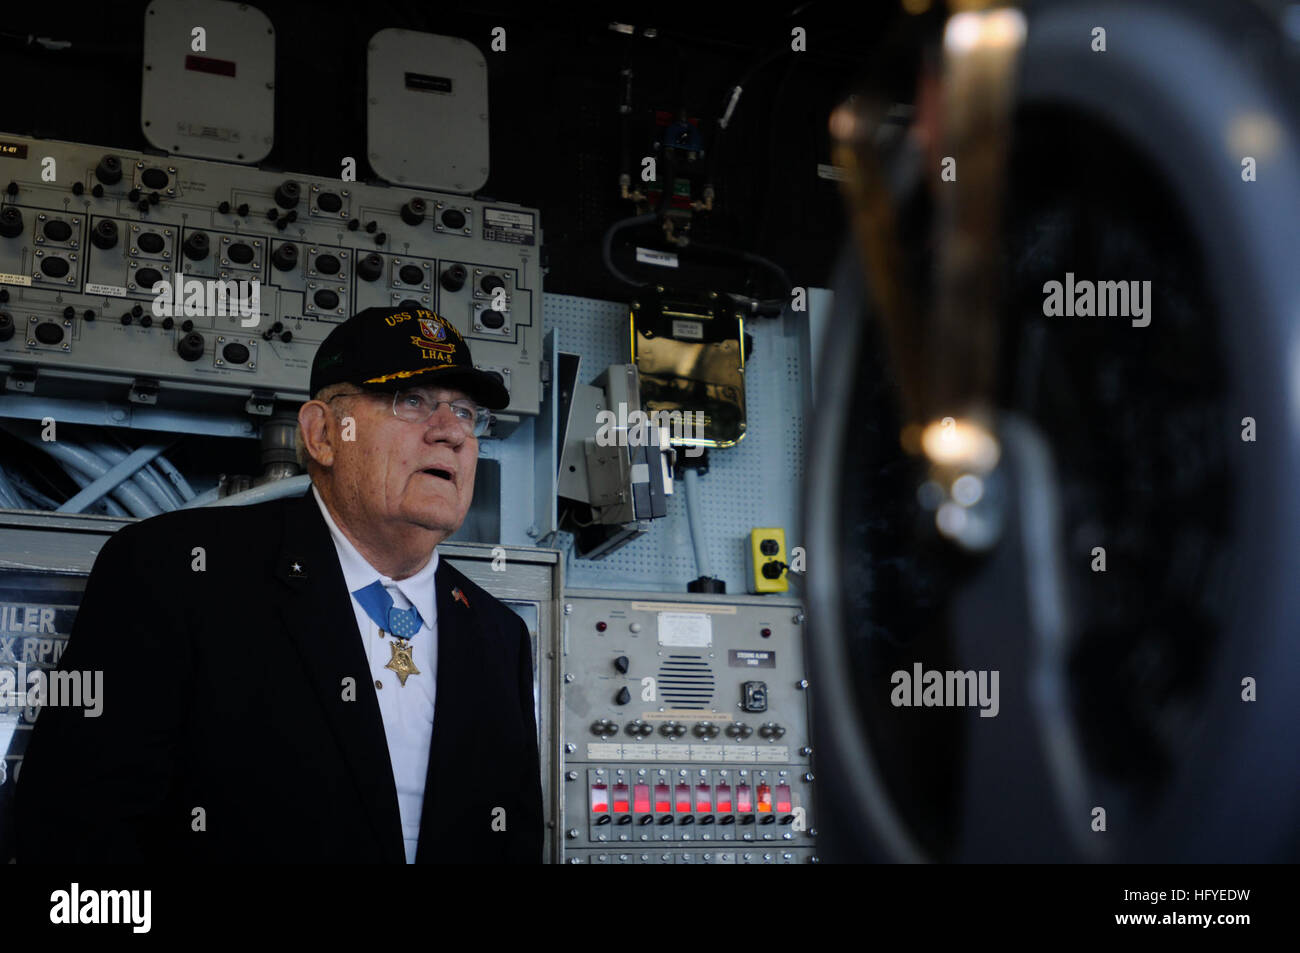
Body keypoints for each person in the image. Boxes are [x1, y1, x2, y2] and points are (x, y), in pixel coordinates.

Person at [14, 305, 543, 862]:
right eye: (411, 401)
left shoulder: (499, 635)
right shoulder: (173, 571)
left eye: (465, 412)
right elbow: (73, 835)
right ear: (321, 434)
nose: (451, 433)